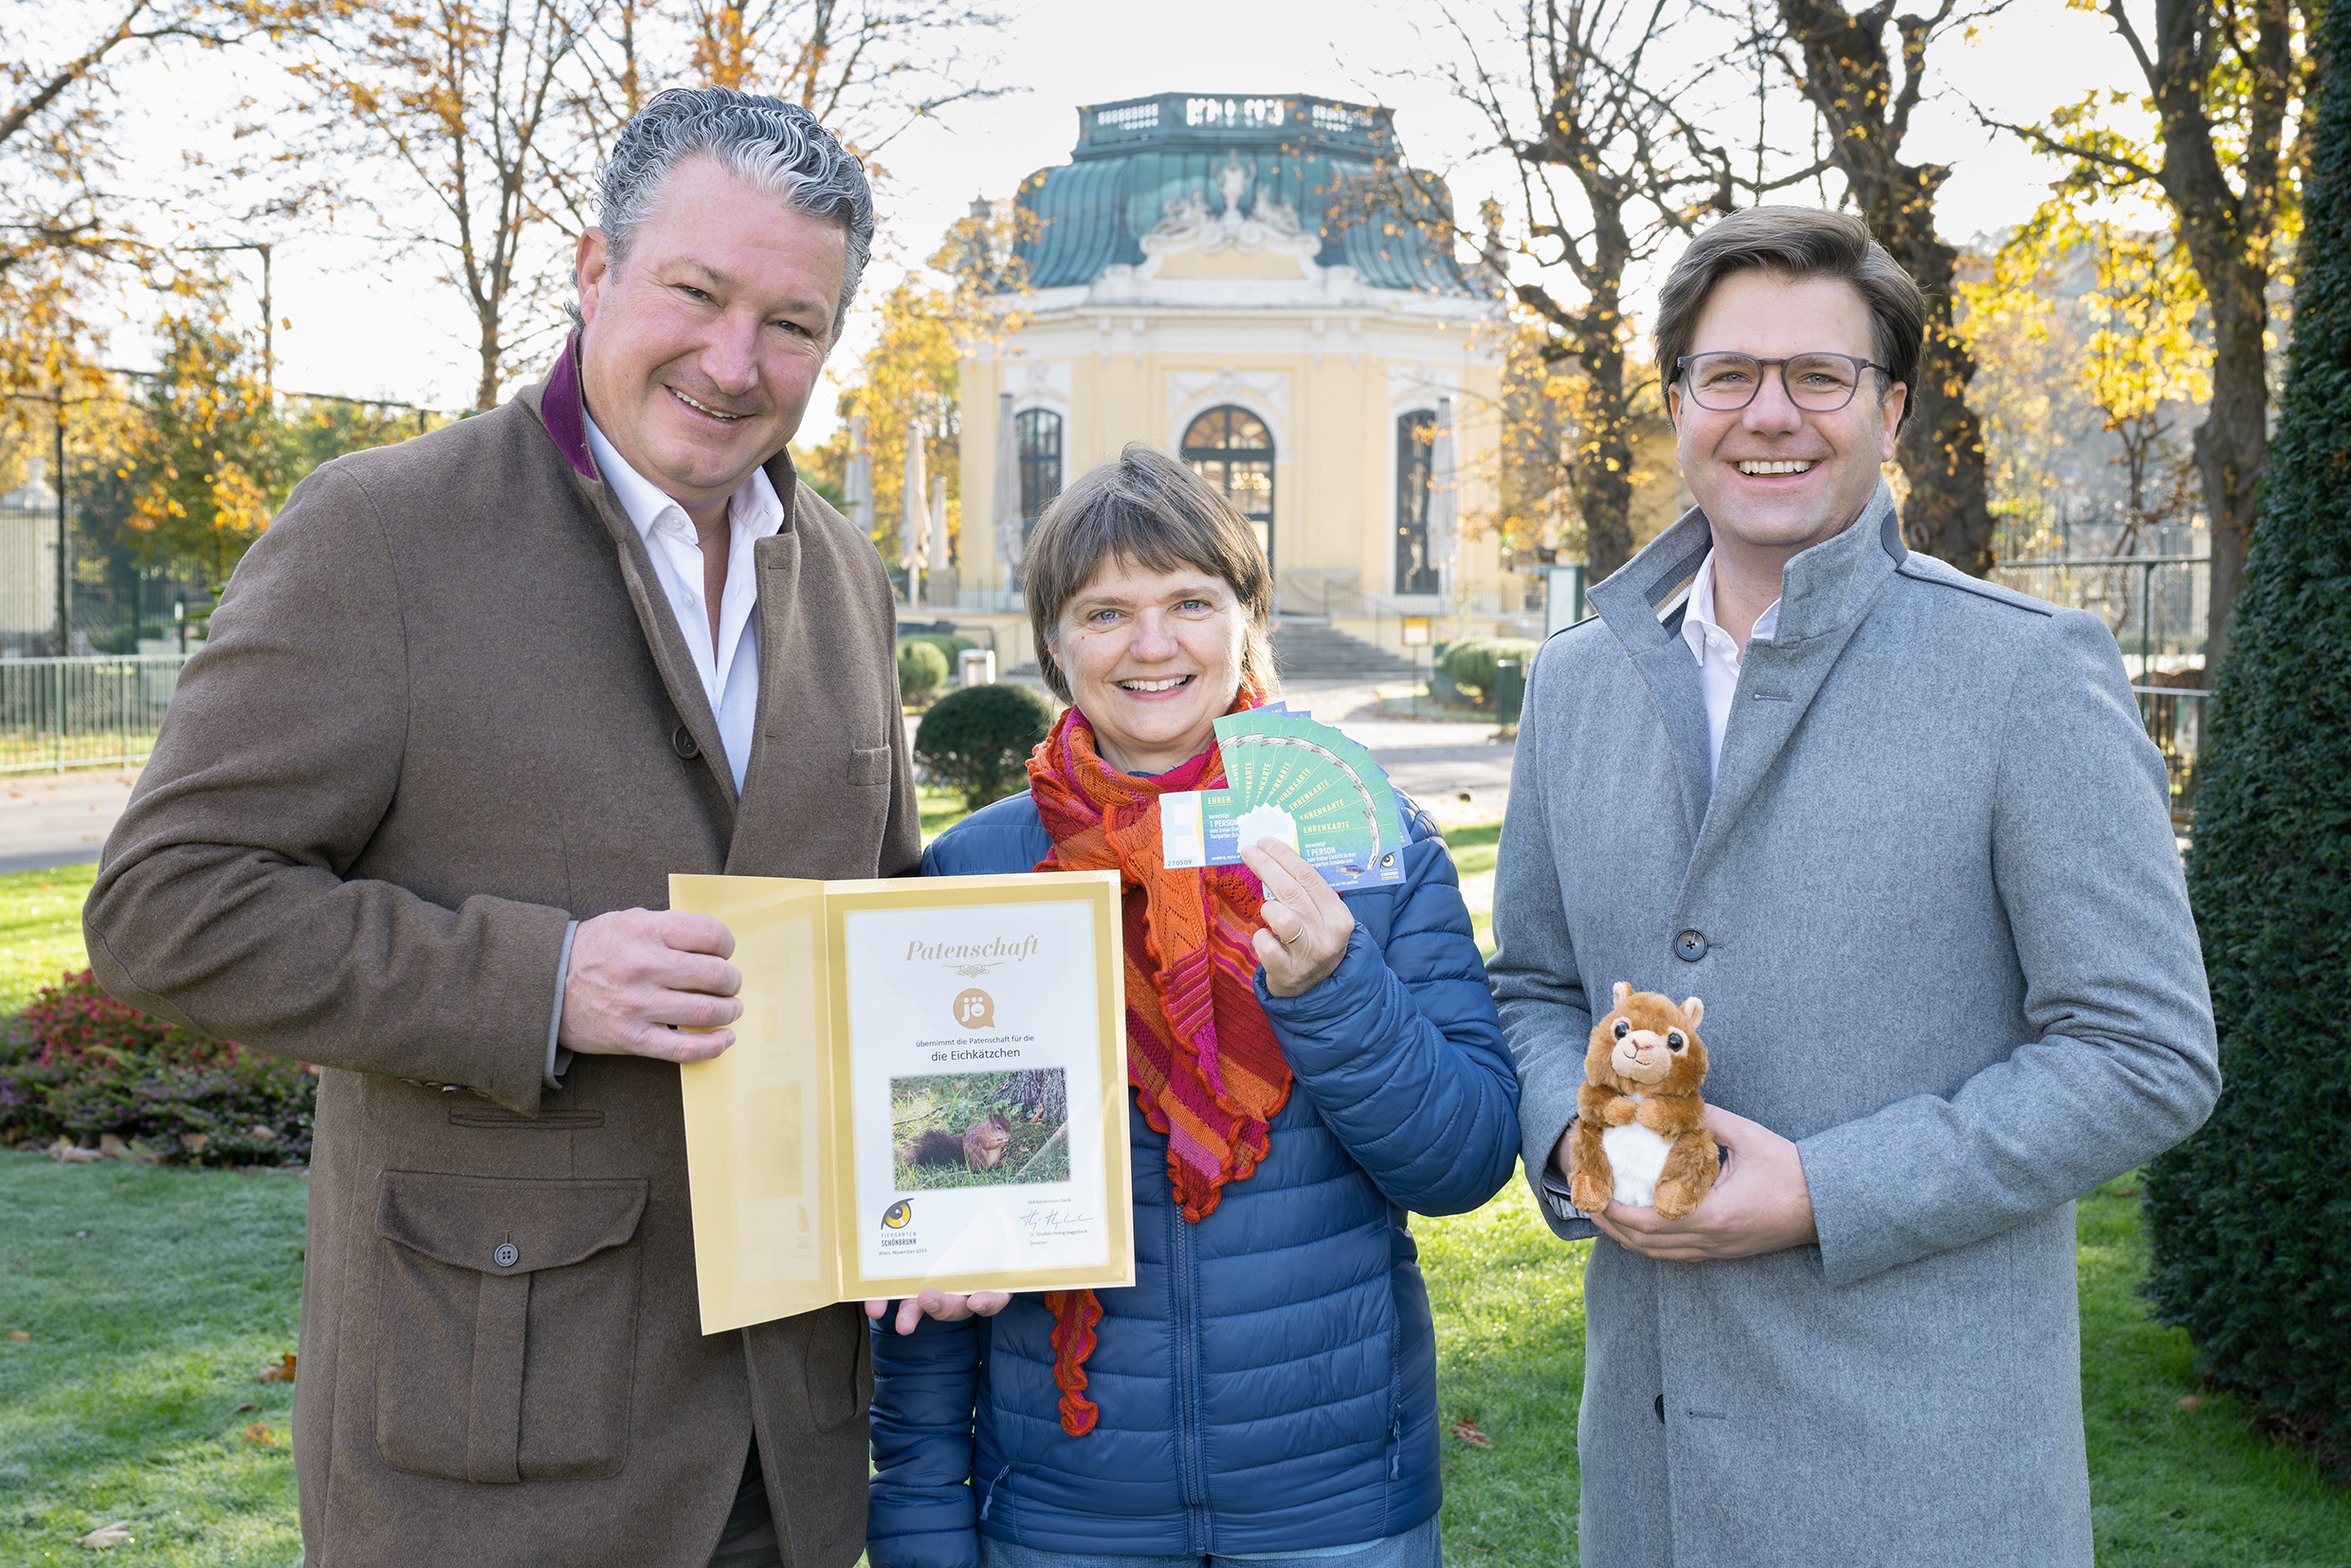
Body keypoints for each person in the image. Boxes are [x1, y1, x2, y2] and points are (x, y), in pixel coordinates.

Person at [82, 88, 914, 1568]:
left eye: (793, 323)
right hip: (495, 1458)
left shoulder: (844, 571)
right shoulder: (379, 533)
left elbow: (881, 935)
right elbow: (165, 904)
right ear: (595, 272)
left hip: (787, 1452)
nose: (736, 364)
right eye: (698, 293)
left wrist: (957, 1196)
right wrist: (541, 982)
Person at [1488, 206, 2220, 1566]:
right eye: (1730, 376)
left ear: (1890, 415)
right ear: (1677, 405)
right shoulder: (1575, 682)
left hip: (1924, 1480)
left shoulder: (2024, 672)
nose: (1773, 415)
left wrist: (1828, 1188)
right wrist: (1574, 1142)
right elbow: (1530, 986)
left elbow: (2147, 1052)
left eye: (1820, 377)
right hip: (1647, 1484)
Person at [864, 446, 1521, 1568]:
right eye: (1106, 610)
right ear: (1055, 643)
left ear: (1245, 618)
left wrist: (1335, 989)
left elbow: (1461, 1163)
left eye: (1189, 603)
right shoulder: (975, 874)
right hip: (1065, 1512)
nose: (1153, 643)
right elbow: (924, 1227)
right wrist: (922, 1519)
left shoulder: (1367, 847)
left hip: (1334, 1509)